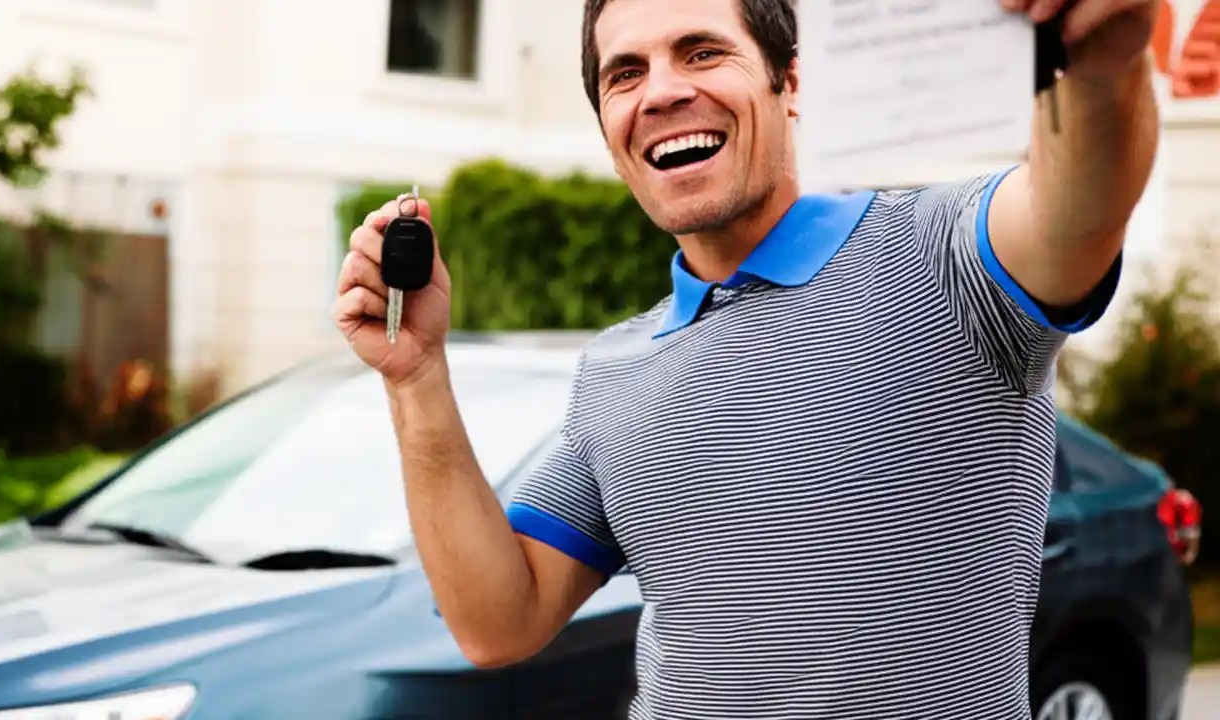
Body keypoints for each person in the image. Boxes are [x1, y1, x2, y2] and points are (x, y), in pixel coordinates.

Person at [334, 0, 1160, 716]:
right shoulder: (613, 374)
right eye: (625, 73)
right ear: (610, 134)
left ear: (789, 82)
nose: (660, 90)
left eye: (702, 51)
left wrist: (1103, 72)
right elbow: (498, 620)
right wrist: (416, 376)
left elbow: (1076, 210)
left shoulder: (943, 257)